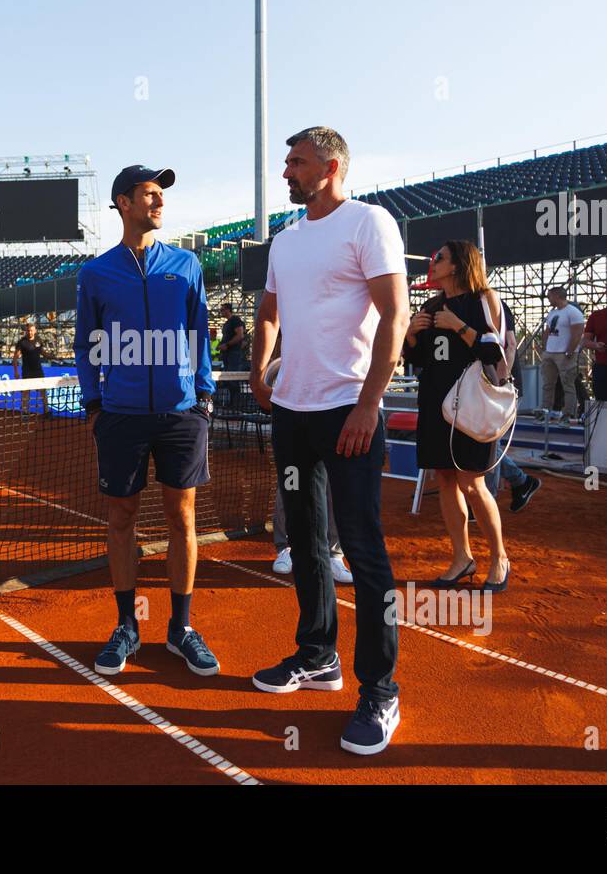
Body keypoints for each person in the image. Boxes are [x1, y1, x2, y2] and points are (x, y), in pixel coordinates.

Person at [248, 126, 409, 756]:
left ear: (331, 165)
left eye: (297, 161)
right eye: (287, 161)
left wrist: (370, 405)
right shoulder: (285, 241)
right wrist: (263, 369)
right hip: (293, 414)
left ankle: (381, 688)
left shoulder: (370, 223)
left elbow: (394, 315)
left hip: (349, 413)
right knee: (307, 544)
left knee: (364, 552)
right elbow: (268, 311)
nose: (286, 171)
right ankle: (317, 656)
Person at [74, 164, 218, 678]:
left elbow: (200, 332)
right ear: (122, 203)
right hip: (120, 417)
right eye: (148, 195)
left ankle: (180, 628)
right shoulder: (95, 273)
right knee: (121, 519)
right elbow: (86, 343)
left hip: (181, 415)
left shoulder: (186, 265)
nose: (158, 203)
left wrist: (203, 395)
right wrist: (95, 403)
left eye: (161, 196)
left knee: (182, 520)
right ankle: (126, 626)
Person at [402, 240, 510, 595]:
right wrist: (411, 337)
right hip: (434, 402)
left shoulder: (484, 298)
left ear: (459, 264)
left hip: (470, 403)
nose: (434, 263)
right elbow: (420, 360)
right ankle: (461, 558)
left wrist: (459, 325)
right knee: (446, 480)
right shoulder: (432, 305)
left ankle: (499, 559)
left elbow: (493, 352)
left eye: (441, 258)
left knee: (473, 483)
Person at [482, 296, 541, 513]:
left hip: (500, 384)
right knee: (487, 443)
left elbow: (511, 344)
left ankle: (487, 499)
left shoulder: (493, 304)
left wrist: (501, 381)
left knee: (489, 443)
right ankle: (520, 481)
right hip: (482, 384)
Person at [271, 467, 352, 583]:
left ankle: (334, 556)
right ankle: (286, 548)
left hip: (332, 450)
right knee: (289, 486)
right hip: (295, 449)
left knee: (336, 490)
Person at [539, 287, 584, 422]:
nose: (548, 299)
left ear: (556, 296)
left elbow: (578, 333)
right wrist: (545, 348)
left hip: (564, 354)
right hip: (550, 353)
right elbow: (547, 331)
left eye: (549, 296)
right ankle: (545, 411)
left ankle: (568, 414)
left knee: (567, 384)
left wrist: (570, 350)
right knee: (548, 384)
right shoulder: (553, 312)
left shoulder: (573, 312)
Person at [12, 322, 49, 414]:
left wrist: (52, 356)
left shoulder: (38, 340)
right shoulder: (22, 342)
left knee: (43, 391)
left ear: (35, 331)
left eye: (32, 330)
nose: (30, 332)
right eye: (28, 331)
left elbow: (43, 353)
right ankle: (25, 412)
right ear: (26, 331)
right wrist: (16, 372)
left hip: (38, 370)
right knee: (25, 392)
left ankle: (46, 412)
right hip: (27, 371)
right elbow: (15, 358)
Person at [217, 303, 246, 370]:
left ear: (228, 310)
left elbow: (240, 335)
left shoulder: (235, 320)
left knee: (232, 373)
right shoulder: (227, 323)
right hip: (227, 354)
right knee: (227, 373)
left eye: (222, 310)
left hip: (233, 353)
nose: (221, 312)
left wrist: (227, 345)